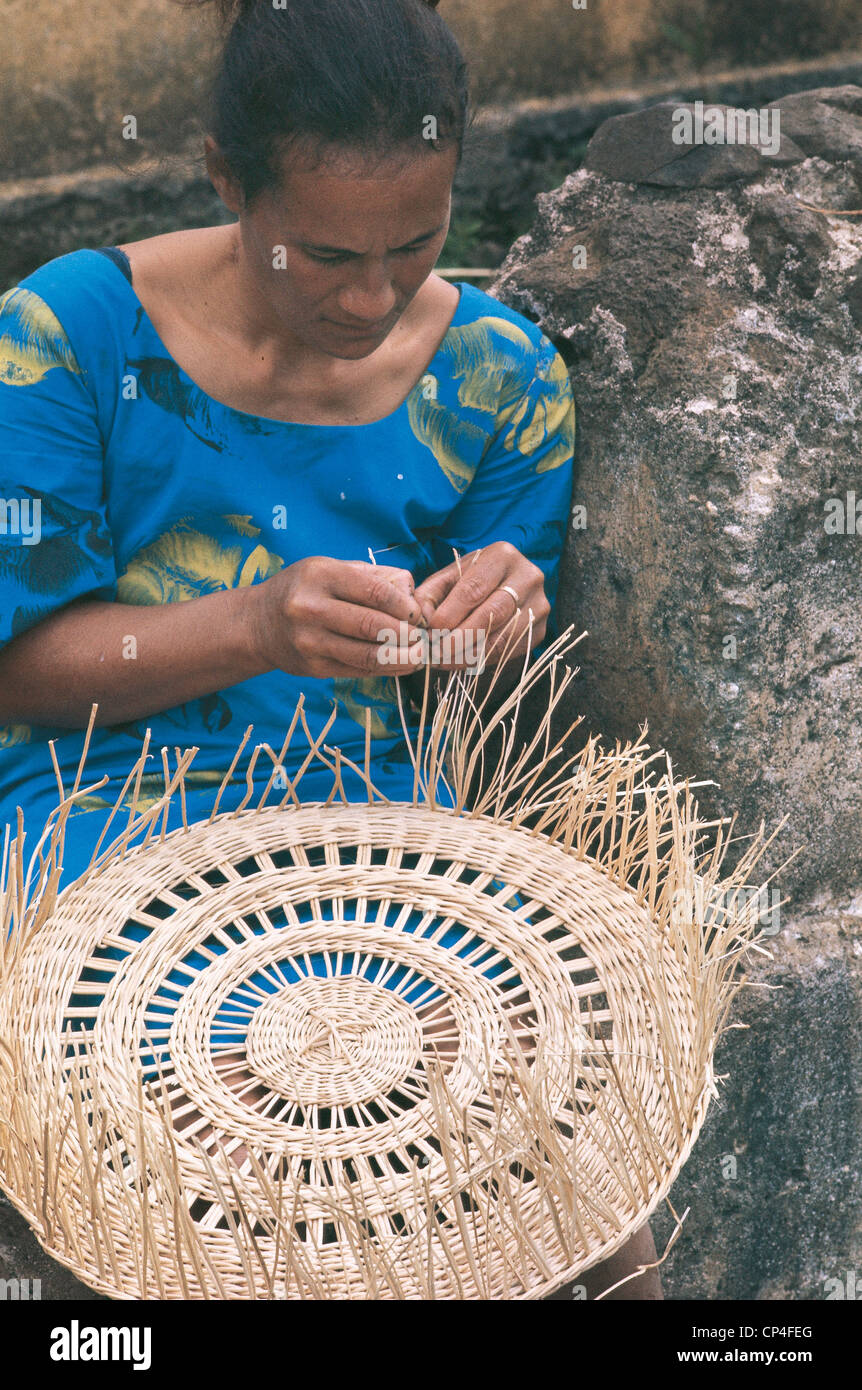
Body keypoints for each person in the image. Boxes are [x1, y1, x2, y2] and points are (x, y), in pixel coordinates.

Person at [0, 0, 659, 1299]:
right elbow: (16, 671)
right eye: (321, 254)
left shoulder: (501, 378)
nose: (368, 297)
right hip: (97, 806)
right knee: (231, 1120)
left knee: (576, 1159)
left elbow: (475, 704)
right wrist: (250, 621)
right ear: (224, 180)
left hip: (372, 821)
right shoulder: (66, 336)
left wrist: (492, 625)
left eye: (412, 246)